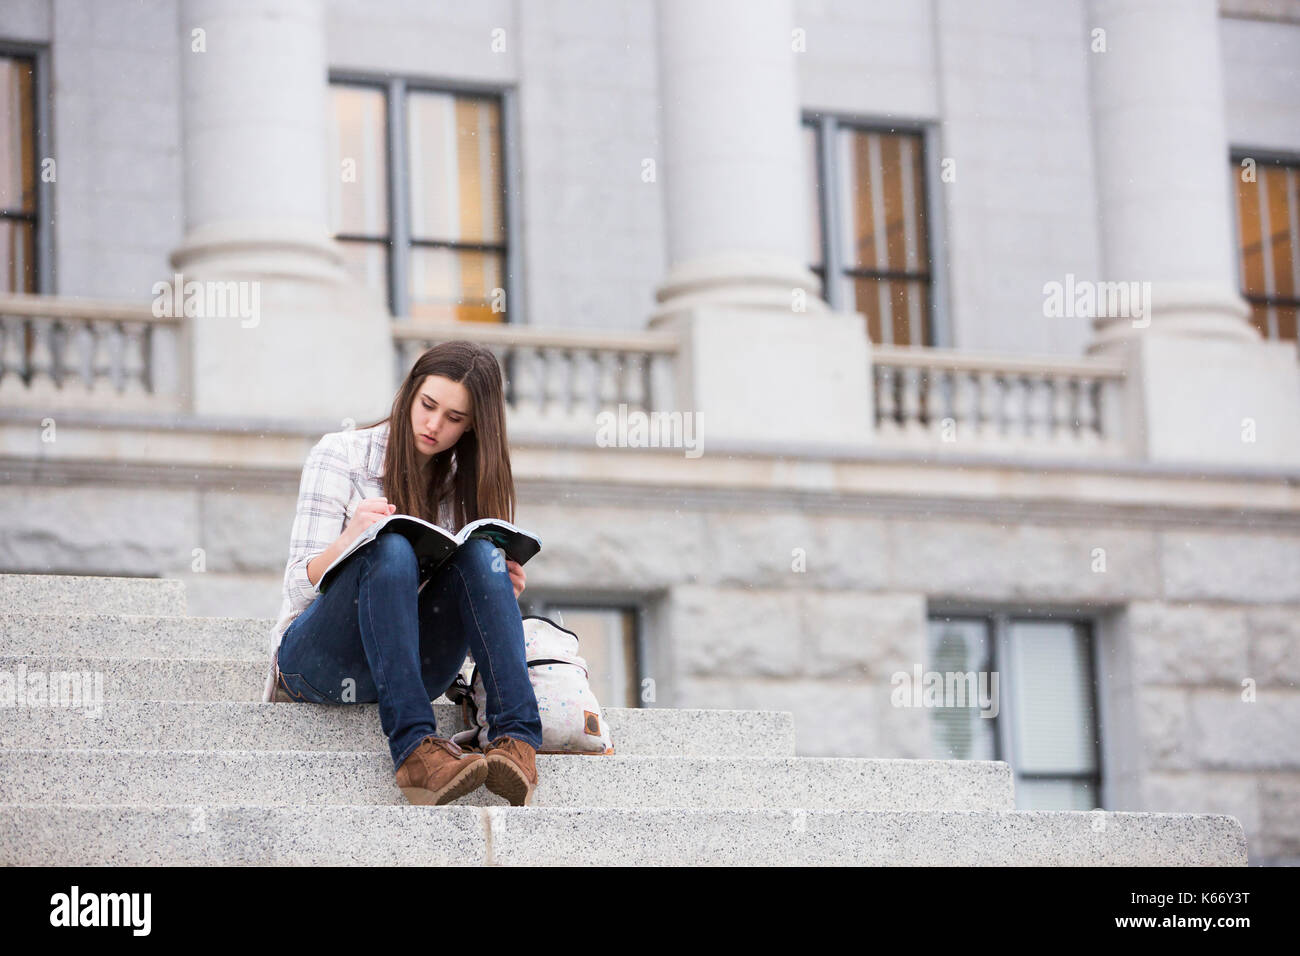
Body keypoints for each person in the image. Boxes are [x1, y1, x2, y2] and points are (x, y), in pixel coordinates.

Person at [265, 341, 543, 807]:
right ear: (409, 394)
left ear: (474, 426)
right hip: (319, 662)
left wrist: (498, 583)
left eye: (454, 418)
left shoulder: (462, 484)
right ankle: (415, 749)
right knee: (390, 548)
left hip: (413, 667)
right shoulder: (341, 454)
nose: (434, 425)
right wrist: (349, 539)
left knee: (481, 555)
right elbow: (297, 584)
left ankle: (517, 741)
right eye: (427, 405)